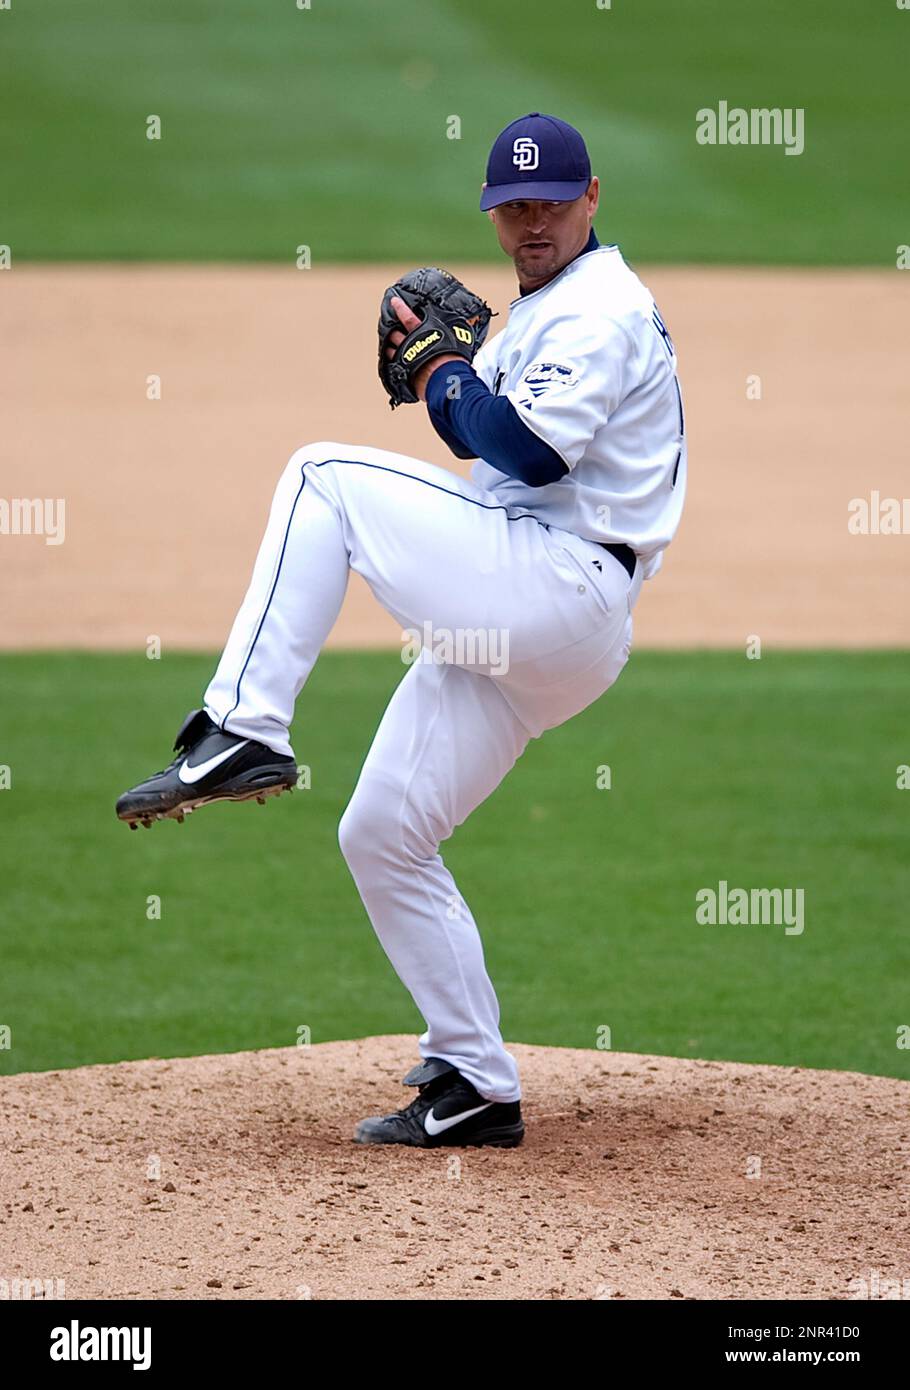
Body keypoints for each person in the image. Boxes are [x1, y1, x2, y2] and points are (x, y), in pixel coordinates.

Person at [116, 112, 687, 1149]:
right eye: (511, 207)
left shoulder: (601, 311)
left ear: (592, 197)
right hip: (533, 620)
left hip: (554, 587)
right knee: (382, 830)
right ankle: (474, 1078)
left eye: (549, 202)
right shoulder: (548, 308)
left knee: (320, 475)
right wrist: (453, 380)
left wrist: (439, 376)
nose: (530, 224)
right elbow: (492, 440)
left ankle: (243, 725)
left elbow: (526, 450)